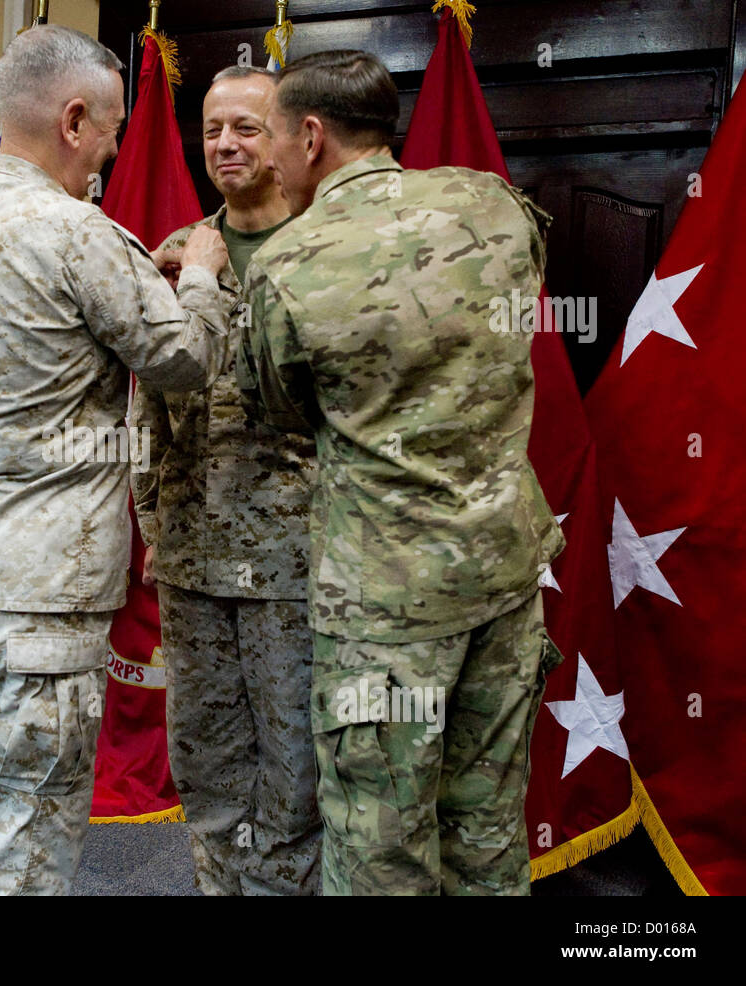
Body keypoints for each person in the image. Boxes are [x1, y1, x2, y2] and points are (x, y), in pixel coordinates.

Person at [0, 24, 233, 895]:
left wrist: (139, 272)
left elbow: (52, 324)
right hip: (40, 596)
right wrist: (197, 270)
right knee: (23, 821)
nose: (120, 147)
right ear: (74, 119)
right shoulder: (80, 235)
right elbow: (188, 359)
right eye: (114, 127)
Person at [236, 50, 565, 895]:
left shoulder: (288, 262)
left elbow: (280, 411)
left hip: (383, 609)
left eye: (270, 136)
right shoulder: (491, 202)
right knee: (489, 827)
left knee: (380, 841)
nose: (266, 157)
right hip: (505, 578)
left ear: (311, 136)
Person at [130, 65, 321, 895]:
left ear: (290, 136)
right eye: (212, 128)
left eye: (247, 126)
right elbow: (148, 415)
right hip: (193, 548)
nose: (225, 144)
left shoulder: (327, 252)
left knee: (294, 757)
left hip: (297, 557)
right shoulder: (178, 257)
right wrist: (150, 524)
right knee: (203, 750)